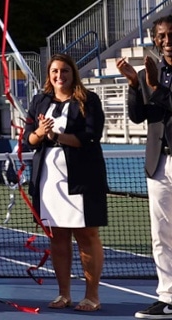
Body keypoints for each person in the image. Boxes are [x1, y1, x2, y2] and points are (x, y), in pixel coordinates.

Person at [22, 53, 107, 313]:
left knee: (86, 234)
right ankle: (63, 294)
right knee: (58, 236)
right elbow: (28, 140)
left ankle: (91, 296)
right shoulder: (40, 101)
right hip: (49, 179)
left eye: (65, 71)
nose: (60, 76)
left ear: (73, 73)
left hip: (82, 177)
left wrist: (56, 135)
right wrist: (40, 132)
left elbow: (91, 136)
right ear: (49, 75)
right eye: (55, 72)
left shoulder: (87, 100)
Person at [118, 14, 172, 320]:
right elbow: (139, 116)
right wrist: (134, 84)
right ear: (155, 40)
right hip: (158, 162)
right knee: (161, 234)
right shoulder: (147, 72)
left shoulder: (153, 76)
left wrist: (154, 86)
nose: (167, 41)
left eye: (171, 34)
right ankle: (167, 298)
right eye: (162, 36)